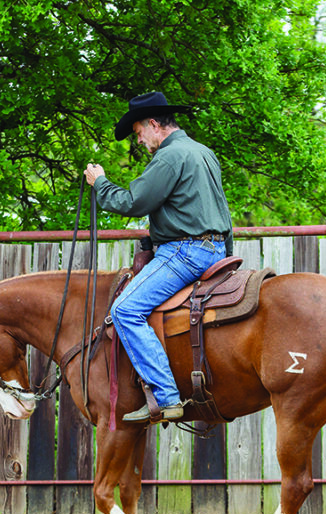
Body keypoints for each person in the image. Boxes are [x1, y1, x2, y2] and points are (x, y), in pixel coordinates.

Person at [84, 91, 233, 423]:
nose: (139, 140)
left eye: (138, 132)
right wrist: (227, 256)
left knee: (125, 310)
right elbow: (222, 211)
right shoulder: (203, 152)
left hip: (184, 252)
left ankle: (166, 397)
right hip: (215, 249)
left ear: (153, 124)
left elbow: (132, 203)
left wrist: (100, 183)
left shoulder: (170, 156)